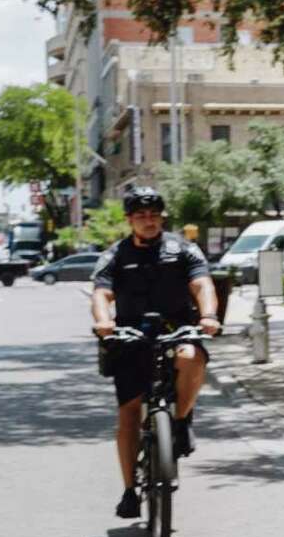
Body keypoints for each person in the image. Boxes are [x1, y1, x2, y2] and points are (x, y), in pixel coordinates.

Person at [91, 185, 221, 519]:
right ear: (129, 220)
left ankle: (179, 423)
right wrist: (104, 322)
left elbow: (202, 284)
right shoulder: (116, 254)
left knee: (191, 357)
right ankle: (129, 491)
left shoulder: (183, 249)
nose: (148, 221)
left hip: (176, 327)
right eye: (140, 216)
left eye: (154, 215)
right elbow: (102, 293)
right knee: (130, 413)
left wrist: (207, 315)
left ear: (162, 217)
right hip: (130, 334)